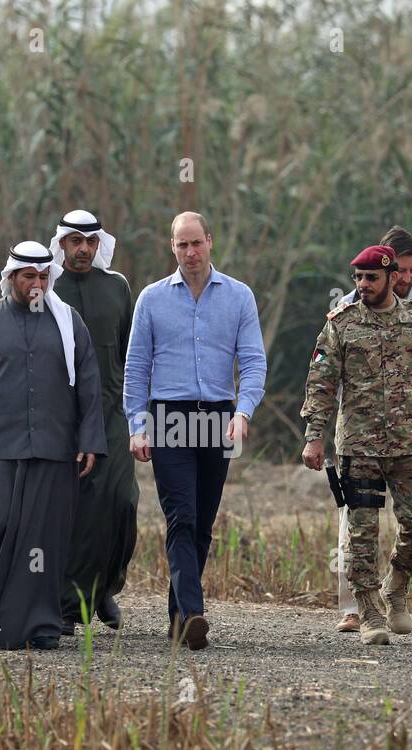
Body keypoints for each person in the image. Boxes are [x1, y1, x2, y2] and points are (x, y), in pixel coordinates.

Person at [0, 241, 106, 650]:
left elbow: (89, 383)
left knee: (44, 539)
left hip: (54, 446)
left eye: (44, 276)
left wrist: (90, 440)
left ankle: (42, 625)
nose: (36, 284)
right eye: (28, 276)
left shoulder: (68, 323)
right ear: (11, 277)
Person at [301, 245, 412, 645]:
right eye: (358, 278)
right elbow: (321, 384)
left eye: (371, 278)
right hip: (359, 445)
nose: (362, 285)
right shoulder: (342, 324)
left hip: (409, 444)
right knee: (362, 533)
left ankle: (396, 586)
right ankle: (370, 610)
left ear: (392, 278)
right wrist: (314, 436)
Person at [123, 211, 267, 652]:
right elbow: (136, 367)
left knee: (202, 523)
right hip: (169, 416)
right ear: (172, 248)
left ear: (210, 241)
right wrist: (137, 425)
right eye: (181, 245)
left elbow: (254, 361)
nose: (190, 252)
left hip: (218, 418)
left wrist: (243, 412)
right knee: (180, 517)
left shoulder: (239, 297)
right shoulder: (151, 298)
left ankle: (177, 617)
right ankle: (193, 612)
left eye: (196, 243)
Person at [49, 210, 139, 633]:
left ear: (99, 244)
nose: (83, 249)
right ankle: (70, 602)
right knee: (75, 509)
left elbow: (130, 354)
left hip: (113, 412)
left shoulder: (117, 287)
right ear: (62, 245)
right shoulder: (47, 288)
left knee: (122, 502)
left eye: (90, 241)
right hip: (65, 417)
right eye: (74, 241)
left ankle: (105, 588)